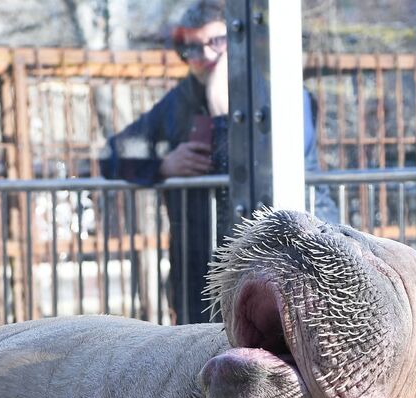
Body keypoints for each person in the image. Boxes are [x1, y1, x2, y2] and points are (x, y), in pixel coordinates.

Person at [99, 0, 336, 324]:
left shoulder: (283, 92)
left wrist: (223, 112)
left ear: (242, 40)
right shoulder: (179, 100)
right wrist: (163, 166)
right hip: (200, 266)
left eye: (218, 42)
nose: (207, 56)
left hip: (289, 257)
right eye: (194, 48)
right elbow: (112, 156)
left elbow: (261, 165)